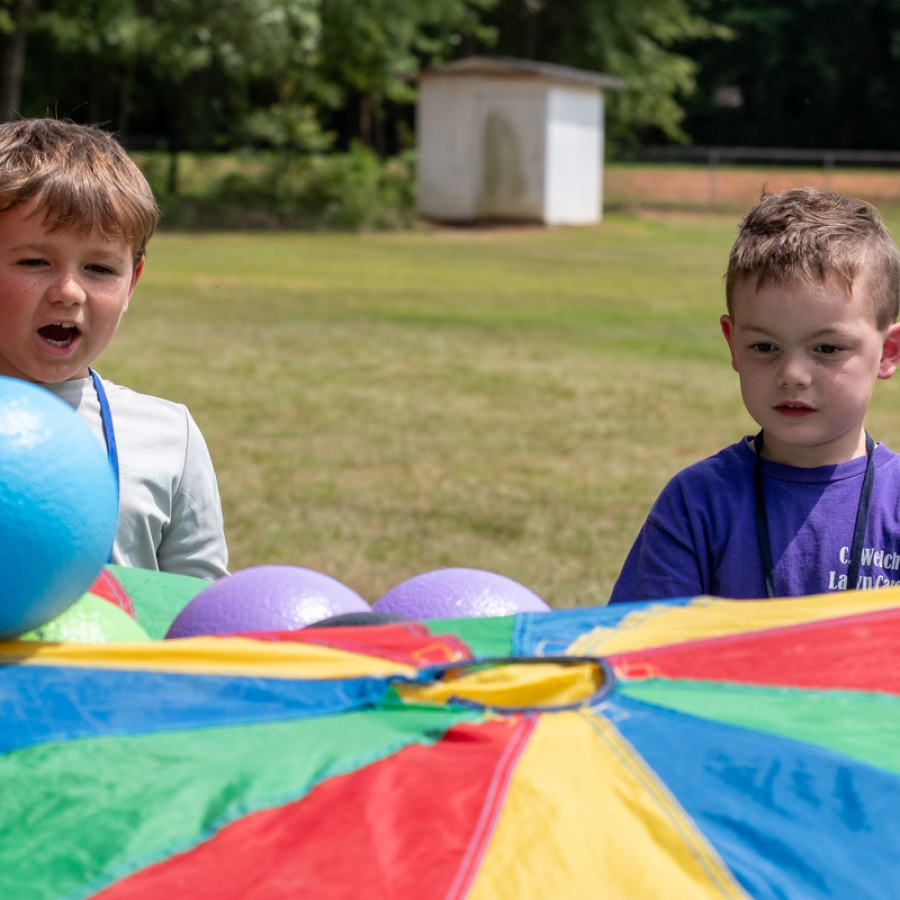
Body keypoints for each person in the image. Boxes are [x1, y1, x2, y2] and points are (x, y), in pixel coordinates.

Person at [609, 187, 900, 604]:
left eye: (828, 348)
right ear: (733, 345)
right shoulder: (697, 503)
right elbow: (639, 652)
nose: (793, 375)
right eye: (765, 347)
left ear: (888, 352)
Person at [0, 117, 228, 580]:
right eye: (35, 262)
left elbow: (196, 613)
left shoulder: (168, 437)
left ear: (132, 284)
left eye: (99, 270)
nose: (69, 291)